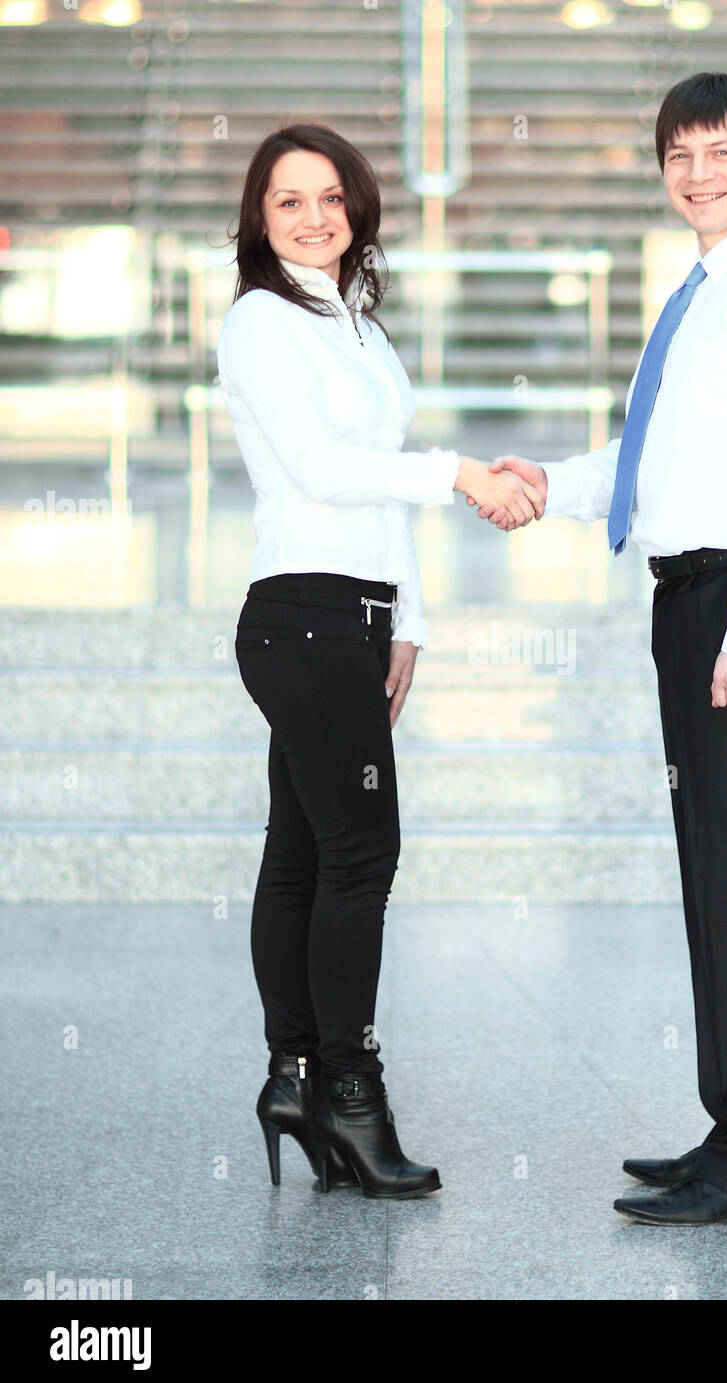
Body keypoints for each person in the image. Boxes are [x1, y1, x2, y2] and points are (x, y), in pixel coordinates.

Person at [475, 72, 727, 1225]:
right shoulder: (700, 294)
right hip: (685, 600)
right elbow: (653, 459)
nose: (698, 172)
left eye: (720, 151)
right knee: (717, 882)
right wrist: (556, 483)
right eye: (678, 154)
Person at [217, 122, 540, 1199]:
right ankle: (349, 1092)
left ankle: (298, 1079)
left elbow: (377, 474)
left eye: (330, 197)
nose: (315, 217)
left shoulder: (354, 324)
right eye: (288, 202)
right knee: (363, 852)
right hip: (299, 615)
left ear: (357, 205)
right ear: (259, 222)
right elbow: (324, 468)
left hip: (350, 619)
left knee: (308, 854)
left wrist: (409, 622)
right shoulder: (263, 322)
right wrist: (459, 475)